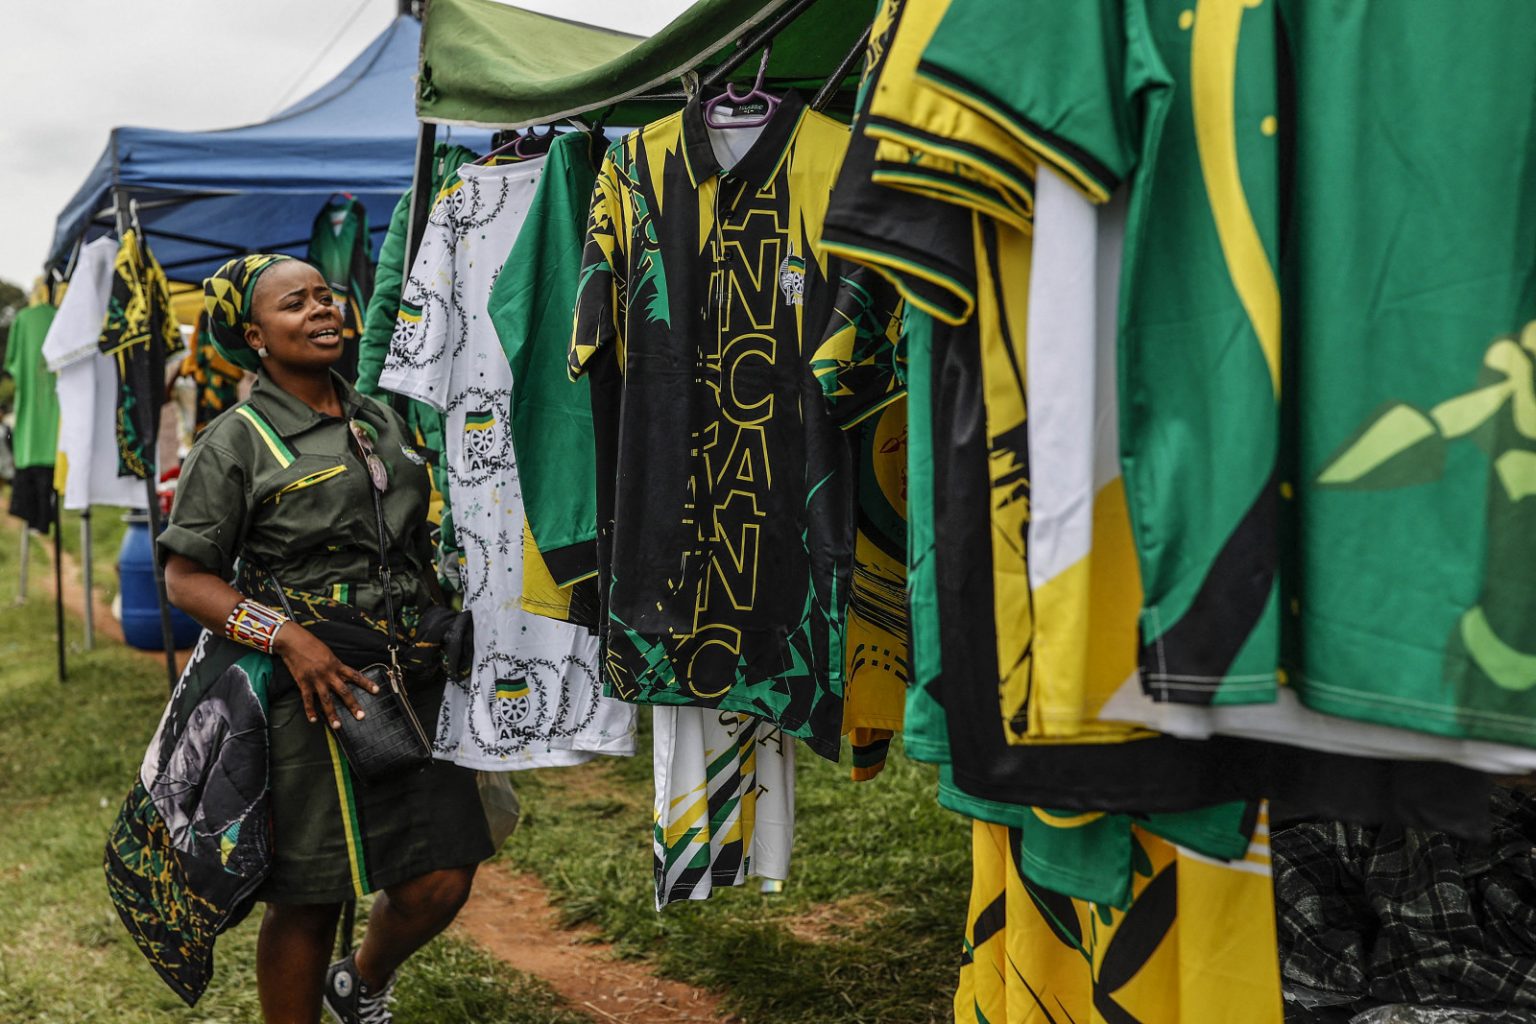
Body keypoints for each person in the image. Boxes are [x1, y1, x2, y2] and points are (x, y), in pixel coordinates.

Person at [160, 253, 492, 1024]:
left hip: (409, 670)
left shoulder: (377, 415)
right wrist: (287, 640)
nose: (321, 310)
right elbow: (185, 578)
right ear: (256, 336)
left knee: (442, 871)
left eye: (324, 296)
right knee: (311, 895)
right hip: (310, 686)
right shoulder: (235, 439)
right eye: (294, 305)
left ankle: (361, 983)